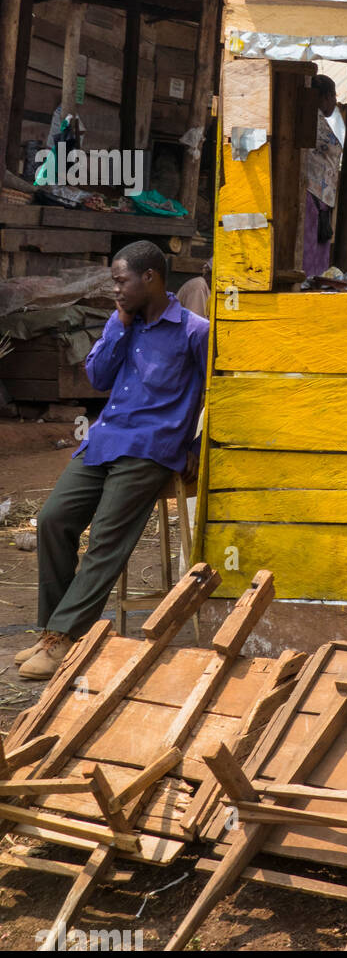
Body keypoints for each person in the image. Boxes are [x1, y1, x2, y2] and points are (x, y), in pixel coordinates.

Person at [16, 241, 209, 680]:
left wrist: (197, 448)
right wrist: (120, 323)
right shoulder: (122, 321)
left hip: (152, 448)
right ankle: (54, 628)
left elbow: (216, 393)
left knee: (105, 538)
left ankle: (61, 639)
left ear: (151, 278)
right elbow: (99, 377)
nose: (115, 290)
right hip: (104, 442)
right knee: (52, 519)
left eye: (121, 282)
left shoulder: (194, 331)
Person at [303, 75, 344, 279]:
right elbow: (333, 148)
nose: (335, 102)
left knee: (316, 248)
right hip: (313, 193)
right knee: (310, 249)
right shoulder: (312, 117)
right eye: (334, 96)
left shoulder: (316, 118)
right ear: (326, 96)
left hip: (321, 197)